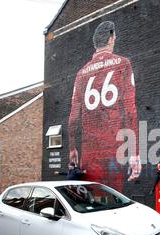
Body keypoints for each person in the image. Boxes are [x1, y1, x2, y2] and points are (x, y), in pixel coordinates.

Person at [68, 20, 140, 192]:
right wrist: (135, 152)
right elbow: (130, 111)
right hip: (114, 150)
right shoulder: (123, 64)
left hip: (89, 153)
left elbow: (73, 118)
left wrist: (72, 148)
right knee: (114, 201)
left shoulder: (81, 74)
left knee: (91, 200)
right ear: (111, 39)